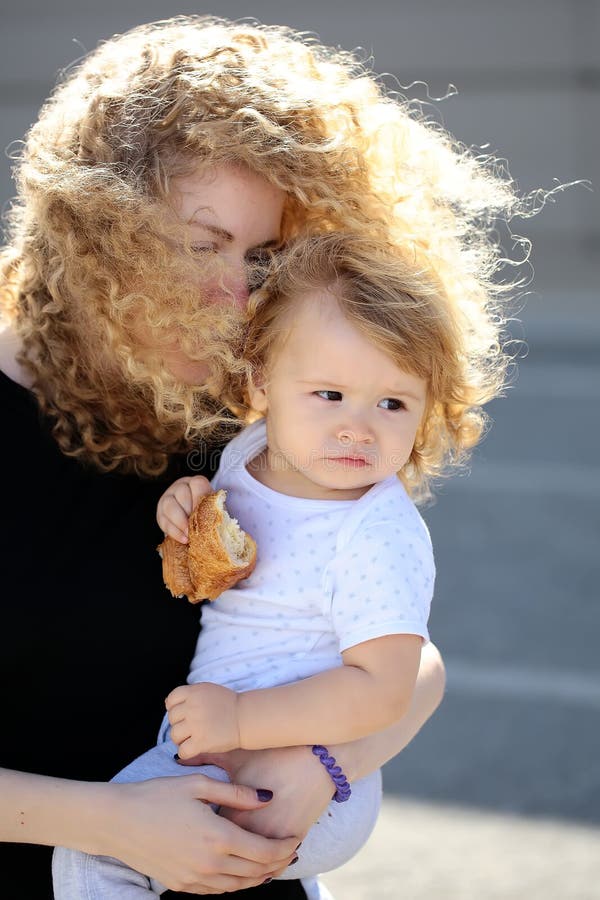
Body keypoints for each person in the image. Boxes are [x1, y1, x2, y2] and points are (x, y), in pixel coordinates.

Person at [0, 13, 525, 899]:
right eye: (200, 246)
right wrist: (111, 824)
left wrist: (330, 761)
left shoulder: (262, 404)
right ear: (99, 235)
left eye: (265, 254)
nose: (235, 294)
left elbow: (409, 666)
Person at [53, 230, 511, 898]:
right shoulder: (251, 451)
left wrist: (243, 720)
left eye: (392, 403)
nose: (358, 427)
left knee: (101, 856)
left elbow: (385, 689)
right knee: (120, 845)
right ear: (262, 380)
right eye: (329, 394)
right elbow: (227, 546)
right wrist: (186, 506)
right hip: (226, 749)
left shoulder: (375, 532)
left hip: (303, 775)